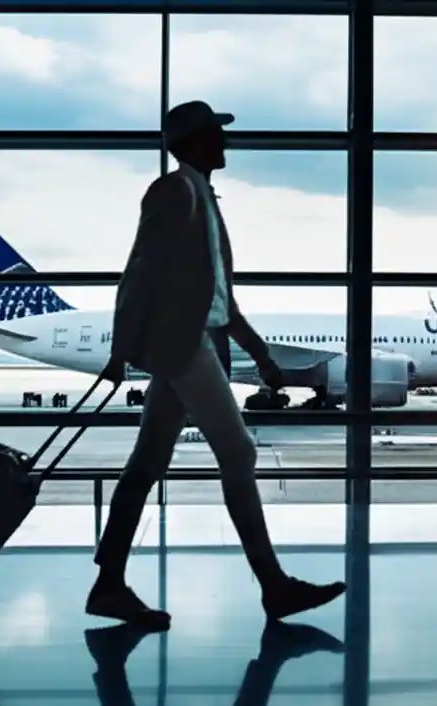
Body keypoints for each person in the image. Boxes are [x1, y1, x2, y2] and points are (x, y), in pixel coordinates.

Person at [86, 100, 346, 630]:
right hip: (186, 348)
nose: (225, 142)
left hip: (192, 344)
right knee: (238, 451)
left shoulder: (201, 197)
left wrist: (261, 355)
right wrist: (120, 349)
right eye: (215, 134)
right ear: (195, 142)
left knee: (144, 468)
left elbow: (220, 299)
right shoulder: (173, 192)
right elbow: (138, 275)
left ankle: (108, 583)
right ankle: (274, 587)